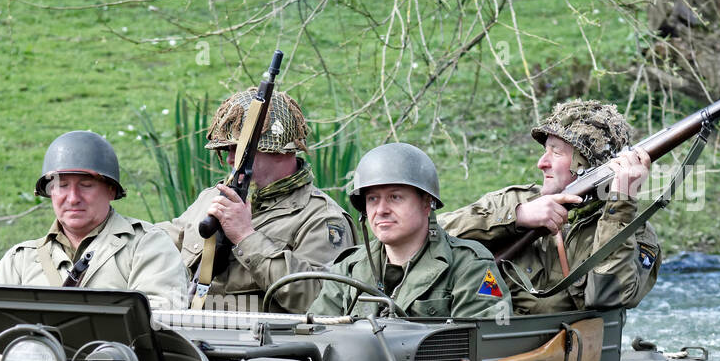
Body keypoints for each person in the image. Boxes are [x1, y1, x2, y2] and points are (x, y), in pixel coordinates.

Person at [438, 100, 658, 315]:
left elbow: (606, 298)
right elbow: (430, 234)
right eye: (546, 150)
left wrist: (621, 204)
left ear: (587, 164)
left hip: (569, 350)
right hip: (487, 344)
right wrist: (517, 216)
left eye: (556, 152)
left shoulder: (634, 231)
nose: (542, 163)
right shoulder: (515, 201)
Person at [157, 88, 353, 313]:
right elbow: (160, 242)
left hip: (261, 343)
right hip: (193, 333)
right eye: (227, 149)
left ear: (280, 151)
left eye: (239, 150)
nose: (230, 159)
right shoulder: (213, 197)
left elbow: (319, 300)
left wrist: (246, 237)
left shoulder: (323, 218)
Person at [307, 143, 510, 320]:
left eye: (395, 197)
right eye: (372, 199)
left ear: (426, 202)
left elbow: (482, 345)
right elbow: (318, 335)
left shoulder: (468, 266)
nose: (381, 210)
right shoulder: (348, 268)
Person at [0, 131, 188, 309]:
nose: (73, 197)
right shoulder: (19, 261)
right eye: (63, 185)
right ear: (50, 191)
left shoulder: (147, 246)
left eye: (86, 185)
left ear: (111, 190)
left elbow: (161, 320)